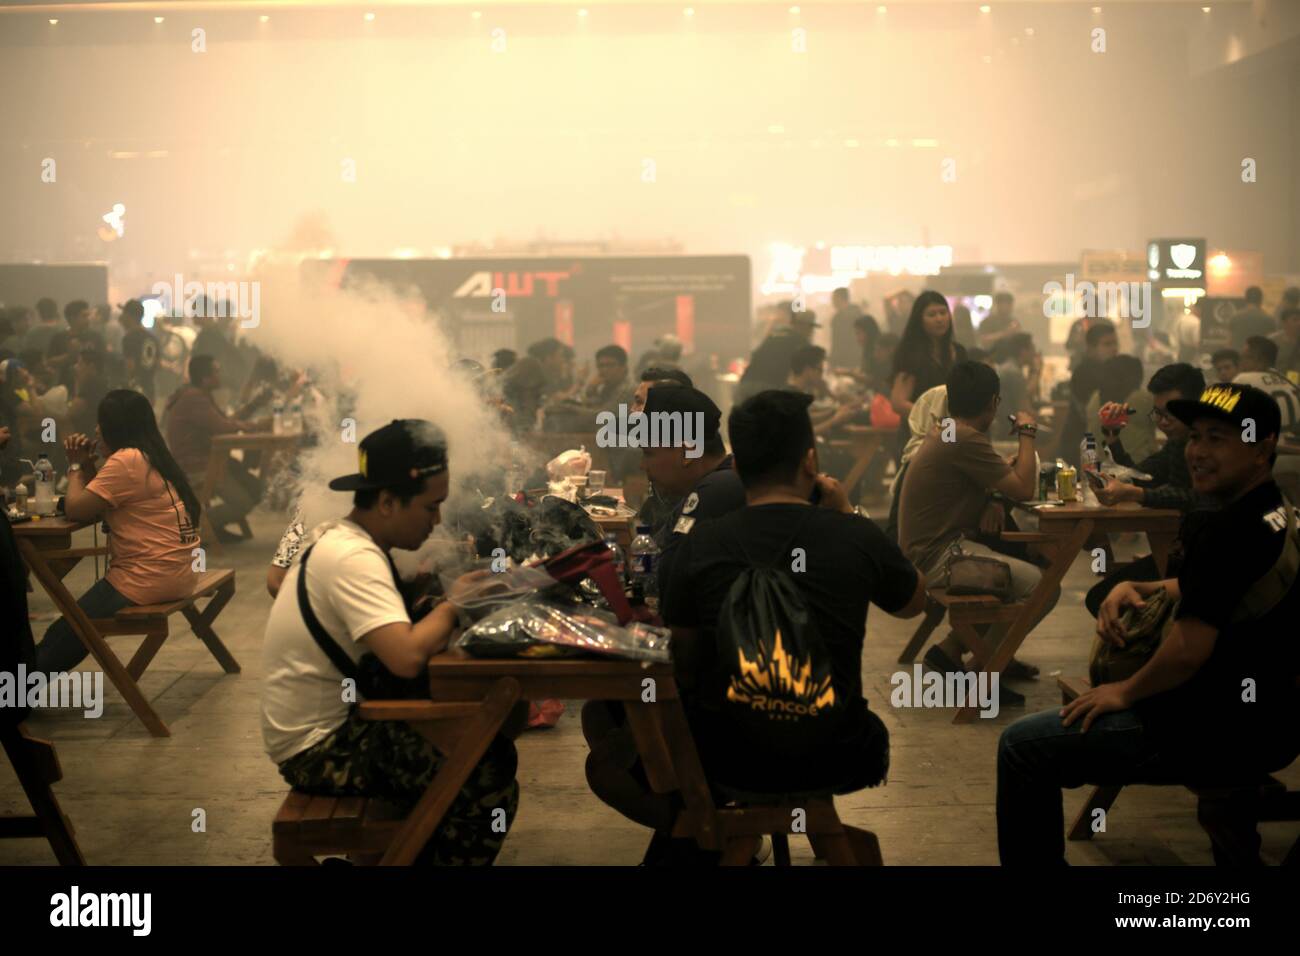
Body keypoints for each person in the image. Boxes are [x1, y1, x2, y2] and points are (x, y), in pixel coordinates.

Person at [587, 390, 925, 863]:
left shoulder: (701, 545)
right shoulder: (853, 535)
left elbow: (682, 659)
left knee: (623, 748)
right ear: (810, 461)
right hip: (839, 747)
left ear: (738, 467)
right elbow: (915, 603)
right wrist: (847, 513)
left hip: (729, 752)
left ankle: (704, 840)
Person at [997, 382, 1300, 866]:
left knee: (1021, 746)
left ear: (1262, 448)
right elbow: (1219, 589)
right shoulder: (1270, 511)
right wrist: (1144, 586)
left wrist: (1125, 692)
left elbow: (1186, 651)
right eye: (1195, 437)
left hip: (1214, 728)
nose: (1197, 453)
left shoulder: (1227, 529)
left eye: (1217, 439)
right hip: (1271, 715)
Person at [261, 420, 519, 865]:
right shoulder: (352, 556)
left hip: (331, 728)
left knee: (484, 742)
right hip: (319, 747)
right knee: (486, 772)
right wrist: (455, 605)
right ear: (385, 502)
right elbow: (405, 658)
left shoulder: (347, 541)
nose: (436, 519)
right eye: (429, 507)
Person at [898, 360, 1054, 691]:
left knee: (1019, 570)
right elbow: (1024, 488)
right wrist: (1027, 431)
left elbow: (995, 478)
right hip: (939, 557)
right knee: (1042, 588)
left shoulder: (949, 430)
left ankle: (951, 651)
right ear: (994, 402)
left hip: (930, 550)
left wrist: (994, 497)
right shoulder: (965, 438)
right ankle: (983, 670)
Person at [33, 390, 202, 673]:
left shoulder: (126, 460)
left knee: (70, 629)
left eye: (101, 422)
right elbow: (99, 497)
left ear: (115, 427)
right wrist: (88, 463)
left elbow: (76, 508)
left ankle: (13, 694)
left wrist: (74, 464)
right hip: (179, 573)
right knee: (72, 629)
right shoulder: (150, 455)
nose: (96, 429)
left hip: (145, 578)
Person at [638, 386, 746, 588]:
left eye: (648, 453)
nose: (642, 465)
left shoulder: (717, 491)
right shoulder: (711, 485)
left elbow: (662, 581)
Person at [164, 354, 266, 543]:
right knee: (242, 503)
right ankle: (199, 526)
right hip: (197, 467)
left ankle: (215, 528)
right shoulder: (193, 398)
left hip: (213, 460)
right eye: (216, 372)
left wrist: (255, 405)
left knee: (257, 488)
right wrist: (253, 426)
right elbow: (224, 427)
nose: (220, 375)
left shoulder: (200, 395)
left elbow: (226, 422)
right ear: (205, 378)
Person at [888, 291, 966, 461]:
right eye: (932, 314)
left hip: (951, 434)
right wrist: (938, 421)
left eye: (943, 312)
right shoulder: (911, 355)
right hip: (917, 440)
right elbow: (898, 403)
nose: (939, 319)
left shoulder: (959, 352)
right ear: (919, 320)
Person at [1055, 320, 1118, 460]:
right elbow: (1090, 414)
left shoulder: (1112, 371)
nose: (1114, 349)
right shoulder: (1083, 373)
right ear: (1091, 348)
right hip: (1080, 446)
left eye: (1115, 343)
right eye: (1107, 344)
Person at [737, 305, 817, 401]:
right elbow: (810, 373)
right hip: (767, 389)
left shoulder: (775, 334)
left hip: (745, 385)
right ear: (804, 326)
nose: (812, 332)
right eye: (811, 328)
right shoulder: (802, 341)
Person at [1234, 336, 1300, 434]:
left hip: (1260, 445)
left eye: (1245, 357)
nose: (1240, 362)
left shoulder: (1244, 379)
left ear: (1259, 360)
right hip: (1289, 445)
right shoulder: (1289, 383)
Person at [991, 332, 1041, 416]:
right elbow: (1024, 409)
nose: (1035, 353)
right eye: (1032, 349)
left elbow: (1024, 393)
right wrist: (1036, 369)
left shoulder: (1008, 367)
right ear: (1023, 351)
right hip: (1010, 425)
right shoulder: (1014, 373)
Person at [68, 349, 110, 437]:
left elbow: (73, 411)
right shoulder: (101, 381)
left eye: (79, 364)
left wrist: (78, 381)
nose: (75, 367)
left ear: (91, 366)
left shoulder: (93, 383)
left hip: (89, 438)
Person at [583, 344, 634, 413]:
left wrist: (591, 388)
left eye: (610, 365)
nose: (604, 369)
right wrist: (592, 390)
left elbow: (603, 416)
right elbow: (595, 407)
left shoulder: (628, 390)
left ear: (623, 367)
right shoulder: (607, 388)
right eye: (601, 366)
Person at [829, 287, 868, 369]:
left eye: (834, 298)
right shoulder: (858, 313)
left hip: (845, 359)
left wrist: (833, 361)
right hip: (858, 357)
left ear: (840, 298)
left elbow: (837, 341)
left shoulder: (839, 318)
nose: (832, 301)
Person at [1268, 307, 1300, 383]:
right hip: (1276, 382)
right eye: (1295, 320)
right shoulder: (1272, 341)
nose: (1299, 323)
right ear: (1284, 322)